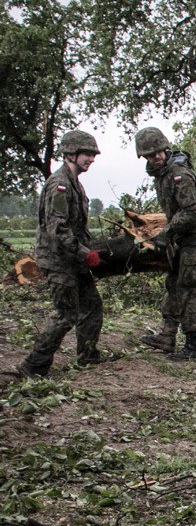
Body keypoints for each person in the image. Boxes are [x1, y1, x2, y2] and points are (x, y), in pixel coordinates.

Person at [19, 130, 118, 377]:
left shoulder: (75, 183)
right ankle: (33, 365)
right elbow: (58, 229)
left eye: (93, 155)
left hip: (73, 259)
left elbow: (77, 227)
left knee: (92, 305)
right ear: (71, 154)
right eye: (87, 154)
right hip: (57, 260)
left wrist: (90, 250)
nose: (91, 159)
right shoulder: (60, 185)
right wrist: (86, 253)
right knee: (66, 314)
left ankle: (88, 355)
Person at [134, 127, 196, 360]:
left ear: (166, 148)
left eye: (158, 152)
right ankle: (167, 335)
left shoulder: (179, 174)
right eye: (150, 155)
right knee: (173, 282)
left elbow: (193, 212)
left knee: (190, 287)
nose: (155, 157)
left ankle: (193, 345)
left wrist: (167, 232)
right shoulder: (162, 175)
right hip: (184, 236)